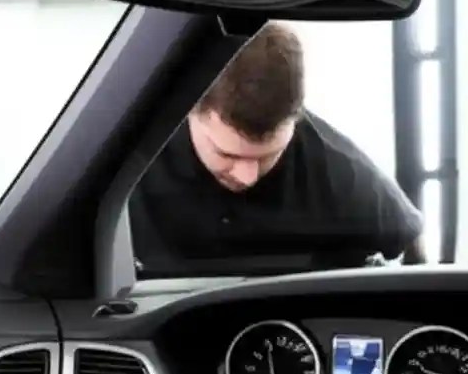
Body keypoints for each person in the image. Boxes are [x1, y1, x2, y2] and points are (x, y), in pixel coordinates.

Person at [128, 22, 426, 277]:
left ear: (296, 120)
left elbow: (414, 251)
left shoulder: (344, 173)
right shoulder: (127, 164)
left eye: (268, 156)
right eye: (227, 154)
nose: (247, 177)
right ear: (190, 110)